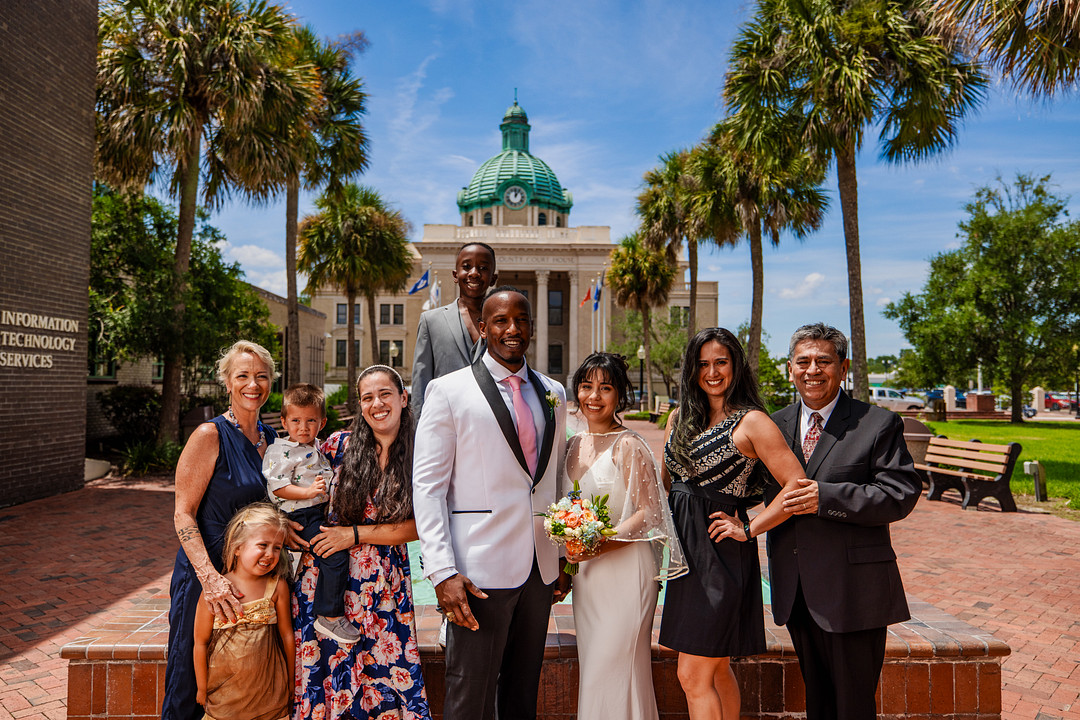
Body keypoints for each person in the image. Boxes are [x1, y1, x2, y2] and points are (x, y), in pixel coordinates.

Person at [412, 286, 570, 720]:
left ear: (532, 327)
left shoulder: (553, 391)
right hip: (477, 571)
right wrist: (441, 570)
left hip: (540, 571)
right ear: (483, 328)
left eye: (521, 319)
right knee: (470, 696)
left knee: (522, 692)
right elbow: (428, 487)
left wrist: (561, 556)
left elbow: (554, 479)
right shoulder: (448, 391)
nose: (512, 328)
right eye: (501, 320)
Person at [759, 323, 921, 720]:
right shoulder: (772, 425)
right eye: (803, 362)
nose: (812, 370)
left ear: (843, 368)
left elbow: (899, 494)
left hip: (854, 593)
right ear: (790, 369)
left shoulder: (877, 423)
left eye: (824, 361)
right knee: (818, 702)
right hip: (796, 591)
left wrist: (826, 497)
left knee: (853, 706)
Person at [658, 328, 809, 720]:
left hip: (720, 560)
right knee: (717, 667)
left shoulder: (752, 422)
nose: (712, 372)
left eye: (720, 362)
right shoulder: (679, 418)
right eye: (703, 364)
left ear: (736, 365)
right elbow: (668, 485)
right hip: (684, 561)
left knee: (692, 675)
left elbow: (798, 486)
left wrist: (750, 527)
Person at [293, 365, 431, 720]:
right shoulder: (337, 446)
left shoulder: (423, 452)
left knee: (387, 674)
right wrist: (287, 527)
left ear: (403, 398)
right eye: (367, 397)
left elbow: (422, 526)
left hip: (384, 585)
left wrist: (353, 535)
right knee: (328, 674)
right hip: (327, 584)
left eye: (385, 394)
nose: (377, 404)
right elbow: (295, 486)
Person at [164, 340, 285, 720]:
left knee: (241, 684)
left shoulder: (274, 440)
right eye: (243, 376)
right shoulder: (209, 435)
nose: (253, 384)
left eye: (261, 376)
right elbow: (183, 514)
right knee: (188, 682)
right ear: (227, 382)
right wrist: (210, 579)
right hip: (206, 579)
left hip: (251, 579)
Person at [564, 352, 687, 720]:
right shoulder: (573, 444)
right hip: (589, 577)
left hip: (626, 571)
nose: (594, 396)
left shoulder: (629, 444)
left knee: (612, 668)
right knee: (596, 669)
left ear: (620, 395)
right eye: (586, 386)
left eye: (605, 388)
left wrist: (598, 542)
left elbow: (650, 514)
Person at [262, 383, 358, 645]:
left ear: (322, 422)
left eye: (310, 421)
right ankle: (329, 615)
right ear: (284, 421)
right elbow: (279, 487)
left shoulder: (316, 447)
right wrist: (307, 492)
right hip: (300, 514)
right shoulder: (280, 451)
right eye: (295, 420)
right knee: (334, 554)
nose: (302, 427)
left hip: (315, 511)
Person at [193, 503, 293, 720]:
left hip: (270, 697)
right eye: (263, 545)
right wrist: (201, 687)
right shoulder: (215, 592)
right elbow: (200, 642)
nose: (270, 554)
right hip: (224, 698)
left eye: (277, 548)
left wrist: (291, 681)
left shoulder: (277, 587)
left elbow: (286, 636)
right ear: (237, 548)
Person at [410, 242, 498, 418]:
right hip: (445, 423)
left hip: (492, 422)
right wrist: (419, 429)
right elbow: (421, 384)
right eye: (467, 267)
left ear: (493, 279)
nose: (474, 273)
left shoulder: (502, 324)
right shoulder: (431, 321)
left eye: (483, 268)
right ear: (455, 275)